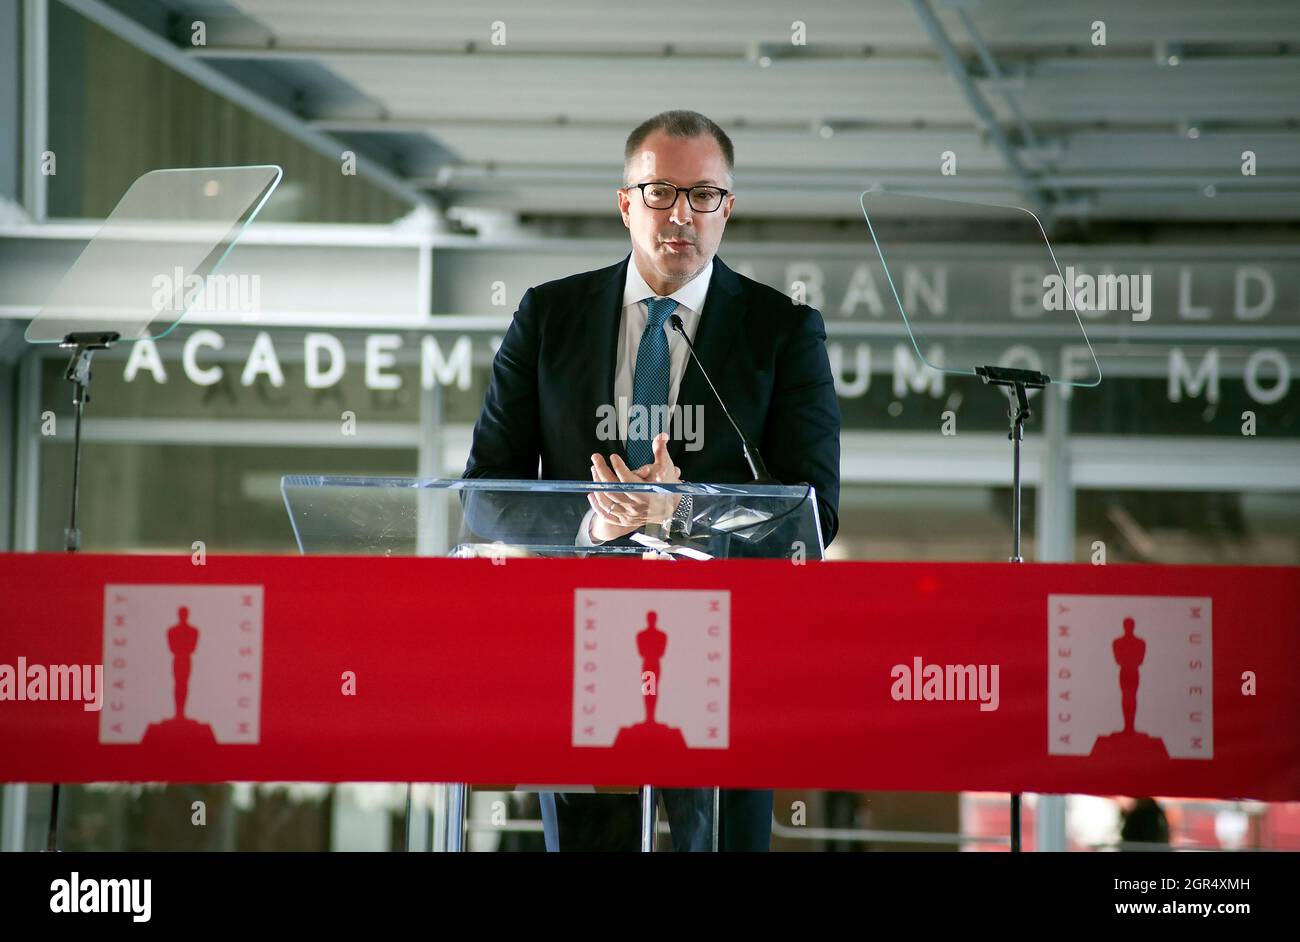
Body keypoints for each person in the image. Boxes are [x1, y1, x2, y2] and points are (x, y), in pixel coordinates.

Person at [465, 109, 841, 851]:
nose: (682, 216)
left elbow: (815, 513)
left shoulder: (783, 331)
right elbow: (488, 493)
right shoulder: (549, 315)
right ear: (625, 201)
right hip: (580, 650)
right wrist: (589, 524)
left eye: (704, 196)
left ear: (727, 209)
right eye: (661, 191)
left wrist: (684, 514)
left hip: (726, 660)